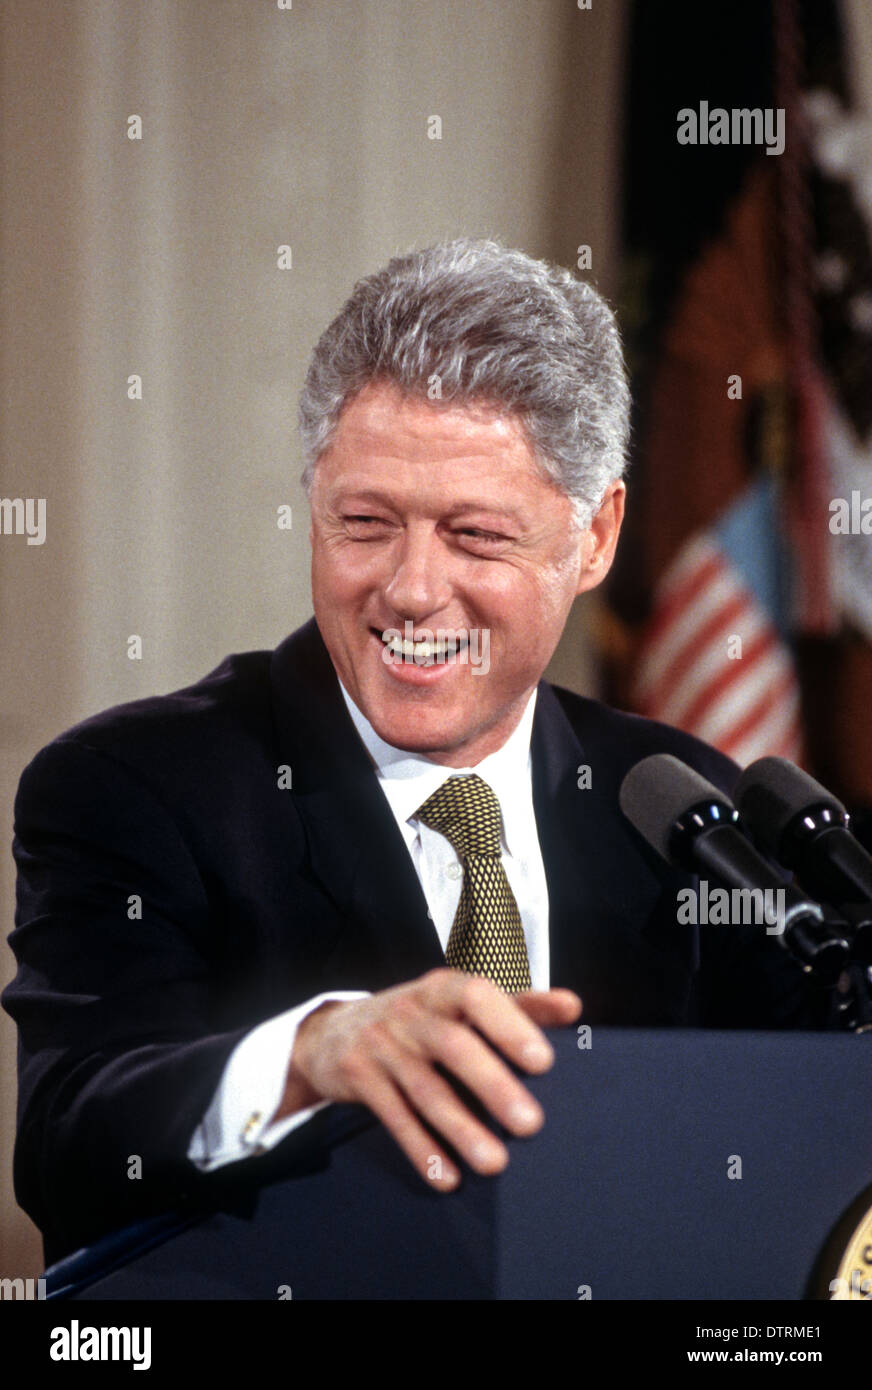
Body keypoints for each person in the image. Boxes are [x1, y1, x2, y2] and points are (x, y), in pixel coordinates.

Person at [2, 239, 830, 1265]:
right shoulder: (137, 789)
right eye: (364, 522)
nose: (408, 588)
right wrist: (312, 1054)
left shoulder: (682, 812)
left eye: (474, 535)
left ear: (594, 536)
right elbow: (73, 1143)